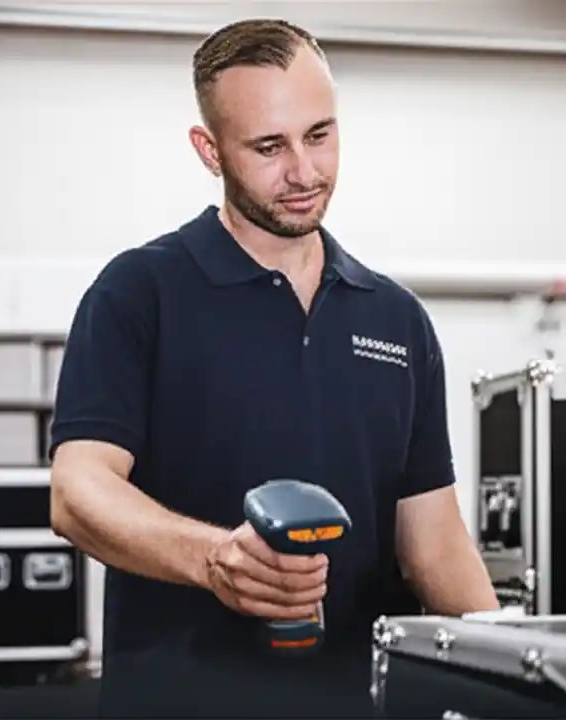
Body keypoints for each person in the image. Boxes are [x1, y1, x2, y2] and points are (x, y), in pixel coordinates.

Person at [48, 18, 499, 719]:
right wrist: (211, 558)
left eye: (319, 135)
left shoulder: (396, 319)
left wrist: (512, 665)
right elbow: (77, 492)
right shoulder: (139, 292)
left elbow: (434, 547)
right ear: (209, 150)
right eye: (269, 147)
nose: (304, 172)